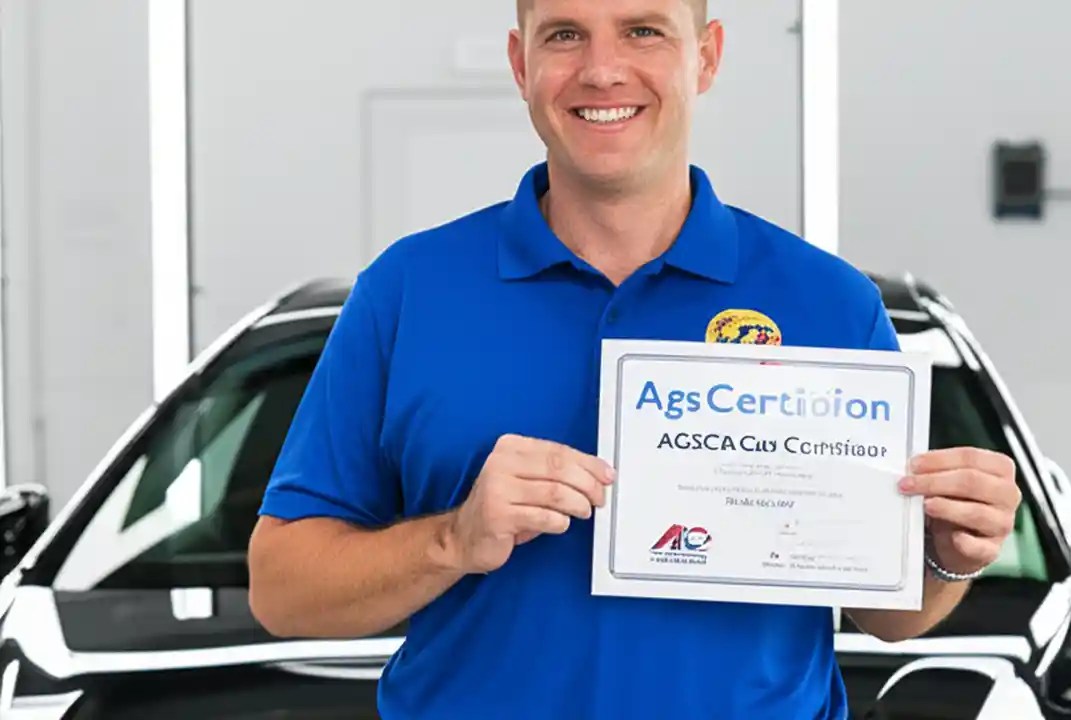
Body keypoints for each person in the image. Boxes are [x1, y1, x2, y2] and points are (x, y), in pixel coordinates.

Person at [246, 0, 1023, 717]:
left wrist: (949, 555)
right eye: (564, 35)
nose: (602, 69)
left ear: (707, 57)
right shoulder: (408, 291)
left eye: (643, 30)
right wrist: (451, 540)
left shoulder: (828, 301)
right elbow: (283, 591)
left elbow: (889, 614)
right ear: (521, 65)